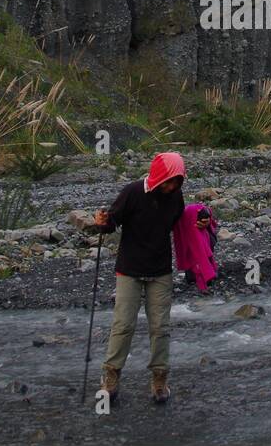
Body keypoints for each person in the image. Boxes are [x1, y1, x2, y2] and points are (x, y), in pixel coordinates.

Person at [94, 151, 186, 404]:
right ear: (159, 175)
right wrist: (103, 222)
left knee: (160, 327)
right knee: (123, 325)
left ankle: (159, 378)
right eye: (169, 180)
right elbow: (112, 221)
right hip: (130, 269)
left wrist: (203, 220)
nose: (172, 186)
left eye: (177, 181)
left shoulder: (176, 197)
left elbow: (180, 221)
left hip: (160, 269)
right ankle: (111, 375)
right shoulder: (133, 192)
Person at [175, 203, 219, 293]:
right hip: (191, 221)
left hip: (194, 221)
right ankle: (198, 275)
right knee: (198, 252)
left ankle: (200, 275)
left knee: (199, 249)